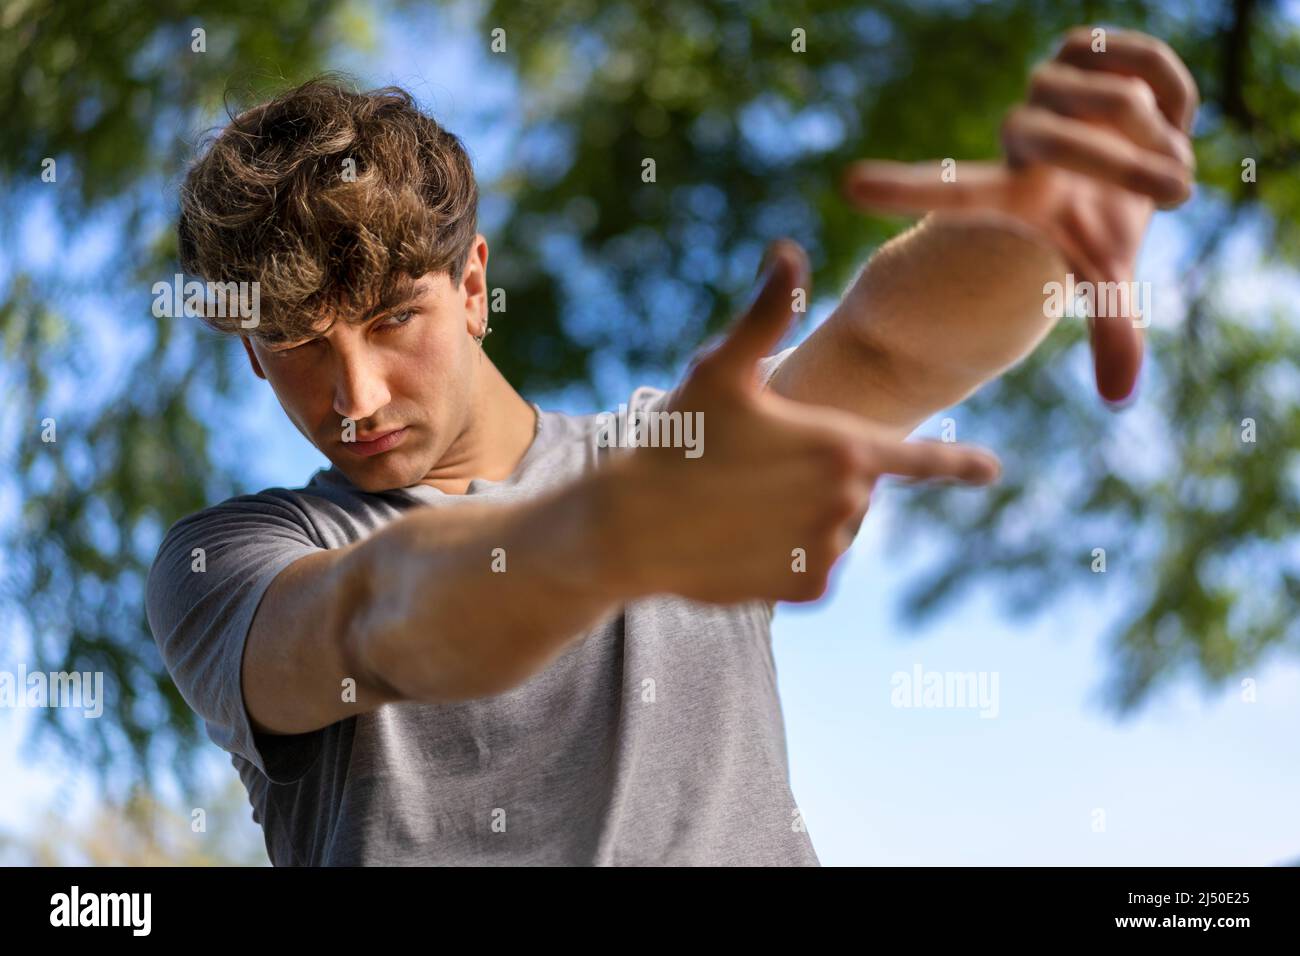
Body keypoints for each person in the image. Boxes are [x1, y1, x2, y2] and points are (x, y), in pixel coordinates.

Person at [146, 26, 1197, 865]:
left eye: (389, 319)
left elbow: (881, 347)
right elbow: (369, 618)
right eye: (293, 345)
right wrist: (615, 534)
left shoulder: (674, 451)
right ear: (250, 354)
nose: (354, 396)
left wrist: (1042, 223)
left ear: (471, 286)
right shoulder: (227, 563)